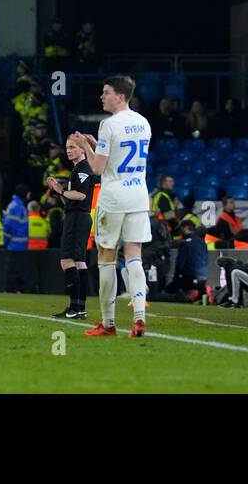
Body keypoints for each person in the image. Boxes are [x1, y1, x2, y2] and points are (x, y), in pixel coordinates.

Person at [67, 75, 153, 339]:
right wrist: (95, 144)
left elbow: (97, 168)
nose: (102, 97)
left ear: (120, 96)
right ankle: (139, 318)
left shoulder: (108, 124)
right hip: (138, 195)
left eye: (106, 93)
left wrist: (84, 147)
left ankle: (108, 323)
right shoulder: (143, 122)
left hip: (114, 197)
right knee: (134, 257)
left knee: (106, 258)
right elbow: (119, 155)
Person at [48, 138, 94, 319]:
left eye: (72, 147)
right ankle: (79, 308)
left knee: (67, 261)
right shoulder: (77, 169)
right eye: (67, 147)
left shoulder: (83, 168)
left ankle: (75, 307)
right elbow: (69, 200)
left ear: (82, 149)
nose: (68, 150)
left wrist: (60, 190)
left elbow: (81, 195)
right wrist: (57, 189)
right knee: (79, 262)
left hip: (77, 218)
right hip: (77, 216)